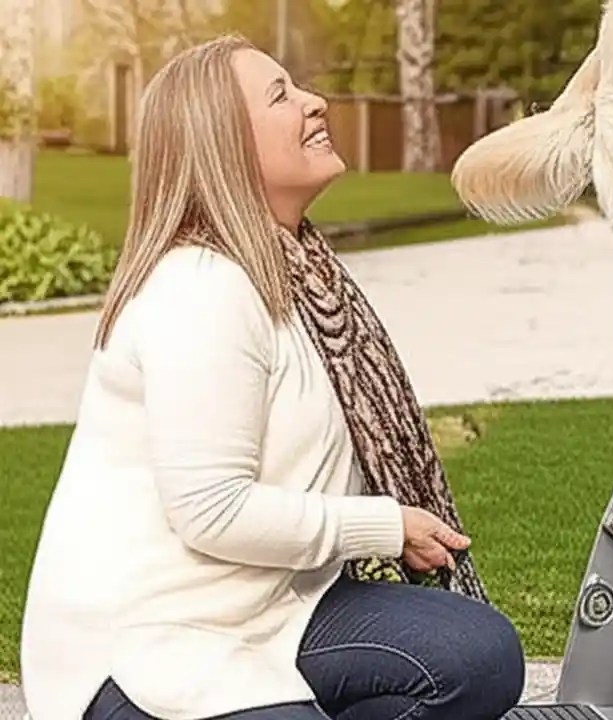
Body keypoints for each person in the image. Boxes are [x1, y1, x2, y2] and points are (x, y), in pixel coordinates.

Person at [19, 34, 525, 720]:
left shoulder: (304, 279)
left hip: (269, 608)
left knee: (476, 656)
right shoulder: (202, 289)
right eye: (280, 96)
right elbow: (212, 508)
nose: (315, 103)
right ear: (223, 143)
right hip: (149, 642)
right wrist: (382, 524)